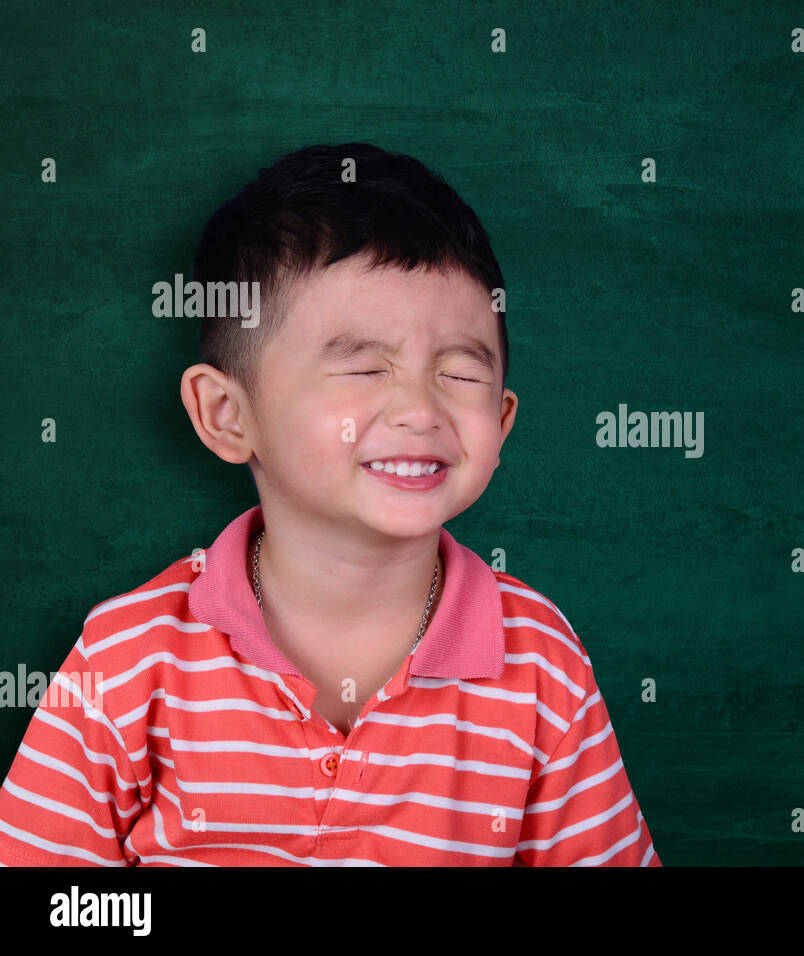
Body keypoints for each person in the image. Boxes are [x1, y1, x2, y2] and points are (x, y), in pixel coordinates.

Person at [0, 143, 661, 866]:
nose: (419, 408)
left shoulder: (540, 662)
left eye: (460, 372)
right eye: (364, 366)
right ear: (227, 414)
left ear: (501, 424)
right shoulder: (124, 659)